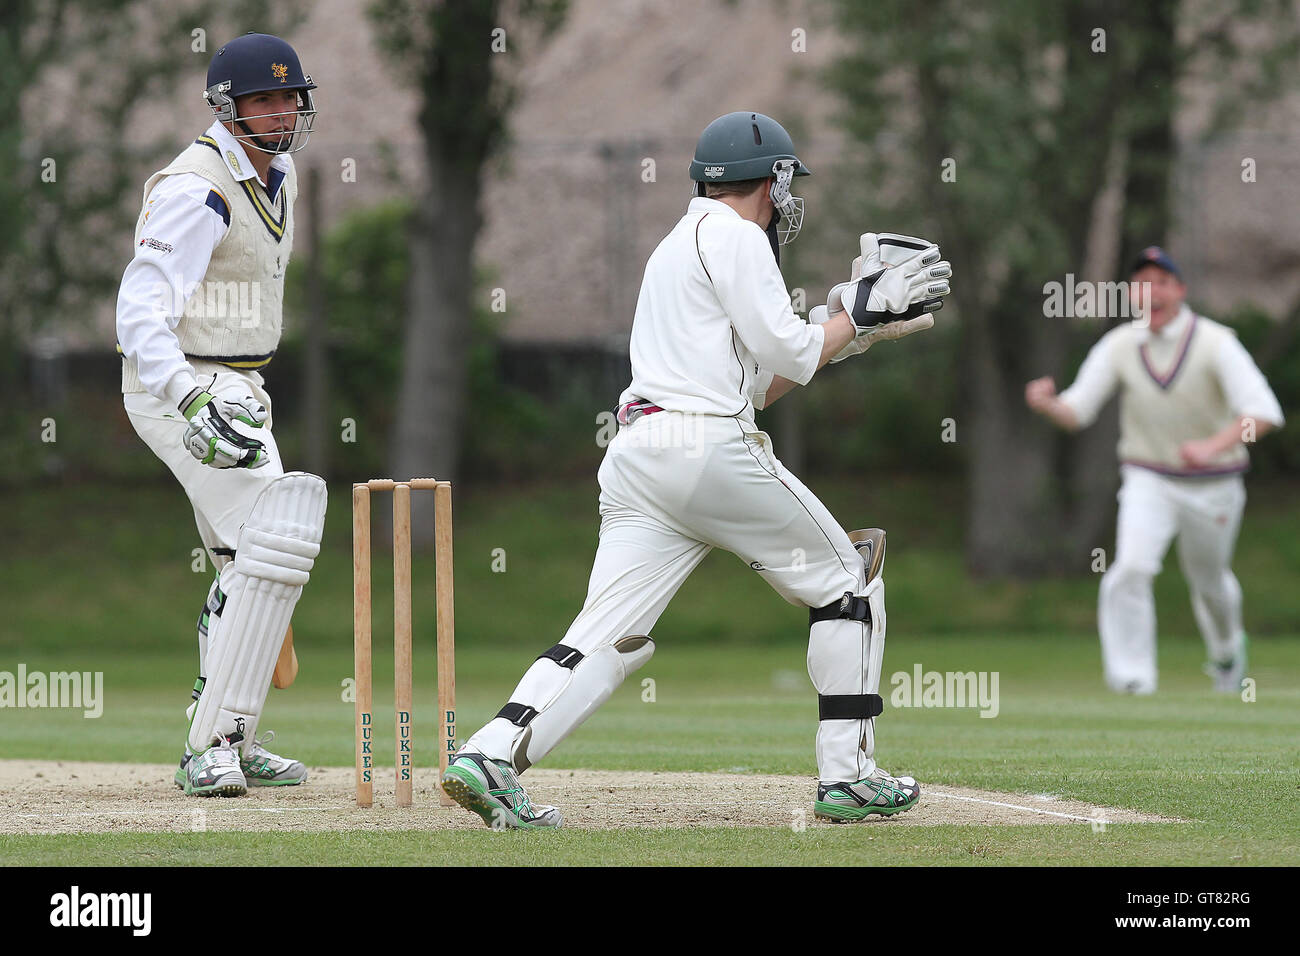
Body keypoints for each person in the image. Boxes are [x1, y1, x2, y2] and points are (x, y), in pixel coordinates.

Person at [441, 111, 952, 828]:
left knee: (605, 633)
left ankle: (490, 756)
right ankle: (851, 777)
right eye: (787, 181)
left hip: (639, 456)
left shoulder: (675, 245)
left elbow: (760, 384)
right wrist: (864, 308)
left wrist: (851, 332)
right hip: (705, 450)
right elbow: (795, 354)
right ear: (772, 180)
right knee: (849, 580)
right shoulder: (740, 238)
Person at [115, 33, 327, 796]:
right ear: (227, 108)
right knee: (277, 539)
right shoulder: (196, 187)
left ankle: (231, 730)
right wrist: (188, 394)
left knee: (245, 566)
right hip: (180, 382)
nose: (278, 114)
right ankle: (210, 746)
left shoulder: (284, 173)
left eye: (287, 98)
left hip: (239, 384)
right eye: (261, 101)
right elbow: (140, 312)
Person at [1025, 247, 1285, 694]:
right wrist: (1049, 405)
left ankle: (1226, 650)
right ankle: (1132, 677)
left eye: (1162, 282)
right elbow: (1078, 410)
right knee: (1131, 568)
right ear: (1132, 294)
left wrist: (1213, 446)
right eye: (1143, 282)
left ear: (1180, 291)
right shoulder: (1120, 344)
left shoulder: (1216, 342)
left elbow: (1263, 414)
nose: (1152, 291)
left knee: (1209, 581)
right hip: (1149, 479)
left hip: (1214, 485)